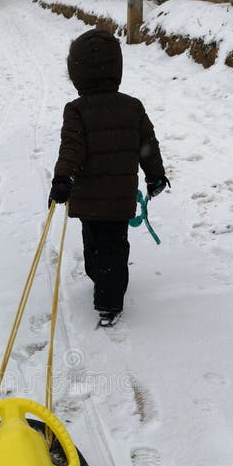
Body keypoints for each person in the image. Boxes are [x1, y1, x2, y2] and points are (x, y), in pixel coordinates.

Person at [49, 28, 168, 327]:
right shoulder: (132, 107)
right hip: (119, 199)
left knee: (94, 244)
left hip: (89, 200)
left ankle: (107, 297)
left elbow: (71, 150)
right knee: (115, 247)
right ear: (117, 69)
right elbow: (147, 147)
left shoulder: (75, 110)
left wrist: (63, 178)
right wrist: (155, 176)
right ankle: (109, 292)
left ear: (76, 74)